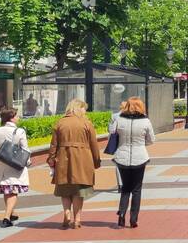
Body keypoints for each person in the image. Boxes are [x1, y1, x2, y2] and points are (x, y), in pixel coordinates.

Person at [47, 98, 101, 229]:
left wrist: (51, 159)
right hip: (83, 160)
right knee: (79, 191)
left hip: (63, 159)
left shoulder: (60, 122)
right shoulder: (86, 123)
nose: (85, 111)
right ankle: (77, 219)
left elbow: (53, 144)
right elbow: (94, 144)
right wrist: (96, 161)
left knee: (65, 190)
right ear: (78, 108)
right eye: (84, 109)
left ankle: (66, 212)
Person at [109, 96, 155, 228]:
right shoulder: (145, 121)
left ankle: (122, 213)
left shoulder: (119, 119)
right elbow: (151, 139)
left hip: (121, 156)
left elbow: (112, 132)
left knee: (125, 187)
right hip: (139, 157)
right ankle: (133, 219)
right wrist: (141, 143)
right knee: (136, 189)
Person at [0, 107, 30, 228]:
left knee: (7, 189)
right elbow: (25, 149)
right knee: (13, 191)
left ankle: (11, 212)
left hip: (1, 165)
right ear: (11, 117)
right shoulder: (20, 131)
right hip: (15, 165)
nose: (18, 118)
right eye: (17, 116)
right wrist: (27, 161)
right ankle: (7, 217)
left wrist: (0, 159)